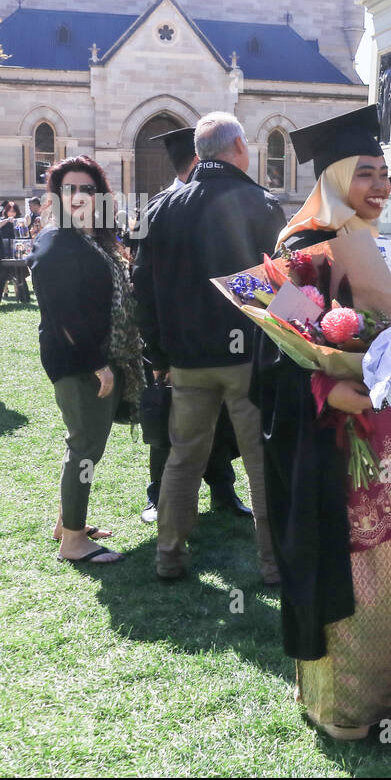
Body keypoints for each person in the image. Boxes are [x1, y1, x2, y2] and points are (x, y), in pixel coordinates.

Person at [250, 105, 391, 738]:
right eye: (366, 173)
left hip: (385, 433)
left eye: (384, 173)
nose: (381, 187)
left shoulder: (371, 242)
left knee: (390, 558)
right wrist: (328, 388)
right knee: (345, 564)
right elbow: (280, 354)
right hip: (330, 442)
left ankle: (386, 687)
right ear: (332, 178)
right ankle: (344, 707)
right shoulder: (299, 251)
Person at [133, 112, 282, 583]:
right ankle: (273, 563)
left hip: (187, 359)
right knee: (260, 459)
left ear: (200, 153)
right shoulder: (261, 202)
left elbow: (143, 290)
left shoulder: (161, 207)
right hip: (247, 357)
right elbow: (277, 284)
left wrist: (157, 355)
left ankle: (169, 556)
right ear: (238, 146)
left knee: (183, 457)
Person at [29, 157, 144, 563]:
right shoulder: (56, 239)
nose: (78, 197)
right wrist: (98, 363)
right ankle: (75, 542)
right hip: (80, 362)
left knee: (86, 445)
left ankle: (67, 523)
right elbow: (62, 311)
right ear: (57, 196)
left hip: (94, 356)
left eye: (87, 189)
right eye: (69, 189)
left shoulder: (86, 238)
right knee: (84, 448)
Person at [135, 126, 249, 525]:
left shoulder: (224, 203)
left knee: (219, 423)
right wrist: (155, 352)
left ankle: (222, 489)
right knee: (169, 424)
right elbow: (143, 285)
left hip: (221, 341)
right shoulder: (158, 208)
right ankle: (157, 495)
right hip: (176, 344)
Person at [0, 201, 30, 303]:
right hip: (5, 252)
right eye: (10, 211)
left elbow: (26, 230)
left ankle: (24, 298)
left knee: (20, 274)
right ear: (6, 211)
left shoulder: (19, 221)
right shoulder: (2, 220)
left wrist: (23, 221)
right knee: (1, 276)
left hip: (17, 251)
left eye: (14, 211)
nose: (12, 213)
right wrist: (7, 220)